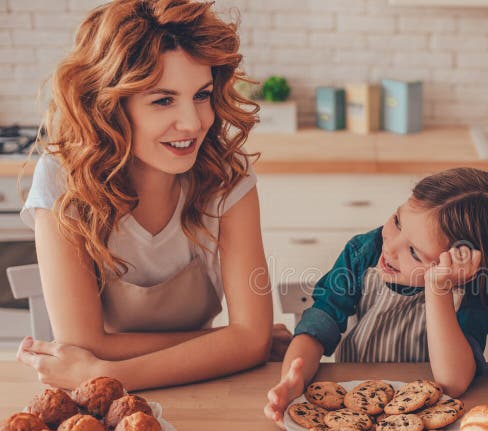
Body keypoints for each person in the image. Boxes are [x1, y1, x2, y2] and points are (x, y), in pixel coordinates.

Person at [15, 0, 290, 391]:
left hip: (201, 390)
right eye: (163, 100)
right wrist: (232, 342)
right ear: (110, 107)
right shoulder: (63, 181)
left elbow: (250, 339)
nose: (193, 123)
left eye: (201, 95)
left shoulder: (227, 179)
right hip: (107, 404)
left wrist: (108, 371)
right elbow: (84, 343)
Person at [263, 168, 488, 425]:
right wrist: (291, 380)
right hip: (356, 408)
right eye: (397, 221)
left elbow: (453, 382)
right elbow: (318, 326)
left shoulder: (469, 291)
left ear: (463, 269)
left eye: (415, 253)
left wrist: (438, 288)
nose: (391, 247)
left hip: (421, 420)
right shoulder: (364, 252)